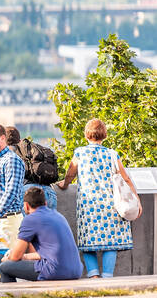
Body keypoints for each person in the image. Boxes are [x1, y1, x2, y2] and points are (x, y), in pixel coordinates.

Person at [56, 118, 142, 277]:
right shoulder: (111, 154)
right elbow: (126, 179)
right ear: (104, 134)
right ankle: (107, 276)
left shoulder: (80, 152)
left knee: (88, 242)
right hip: (110, 204)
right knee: (110, 243)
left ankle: (94, 275)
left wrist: (65, 184)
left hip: (88, 204)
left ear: (86, 134)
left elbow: (70, 174)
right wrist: (136, 199)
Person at [0, 187, 84, 282]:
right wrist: (25, 257)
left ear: (26, 206)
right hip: (76, 270)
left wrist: (8, 258)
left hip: (54, 270)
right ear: (45, 203)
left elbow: (15, 257)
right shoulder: (58, 216)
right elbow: (49, 252)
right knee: (34, 265)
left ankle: (12, 296)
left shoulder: (30, 219)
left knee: (4, 267)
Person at [5, 127, 58, 210]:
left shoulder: (7, 153)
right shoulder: (30, 149)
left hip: (28, 194)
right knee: (49, 222)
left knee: (28, 223)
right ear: (19, 139)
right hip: (49, 192)